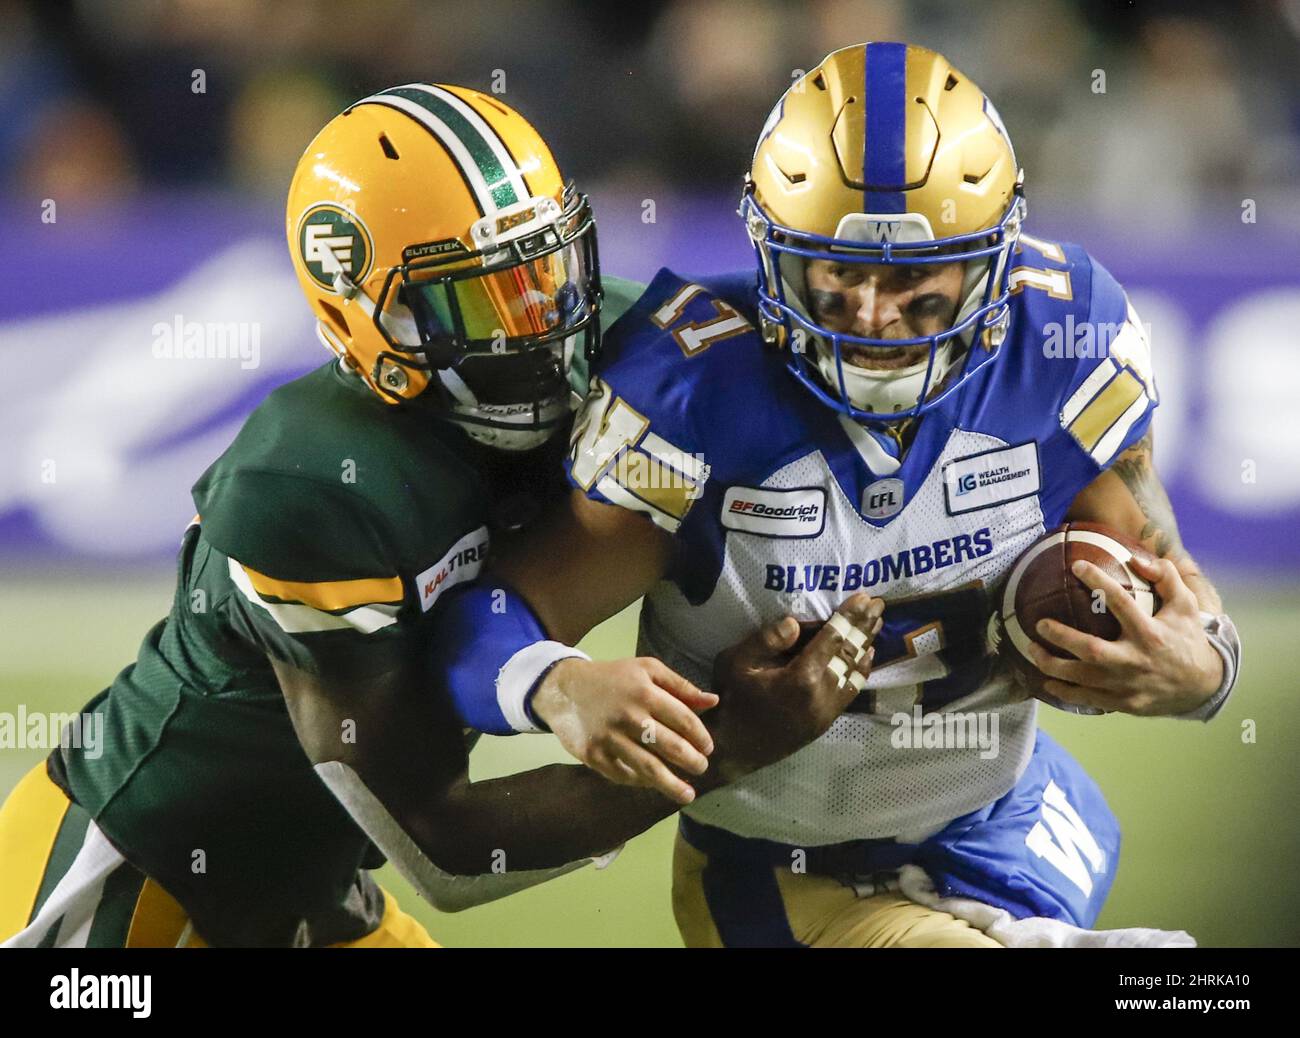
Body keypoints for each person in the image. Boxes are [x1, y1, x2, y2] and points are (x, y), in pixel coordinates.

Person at [0, 84, 881, 948]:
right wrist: (727, 743)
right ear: (372, 319)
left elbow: (784, 342)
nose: (541, 324)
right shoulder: (315, 486)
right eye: (480, 298)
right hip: (128, 883)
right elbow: (447, 844)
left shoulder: (627, 349)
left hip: (316, 893)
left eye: (546, 270)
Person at [434, 44, 1242, 948]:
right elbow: (500, 609)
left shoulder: (1061, 342)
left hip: (1010, 820)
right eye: (836, 273)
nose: (869, 316)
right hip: (783, 868)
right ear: (774, 252)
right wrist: (561, 685)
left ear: (992, 263)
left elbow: (1165, 572)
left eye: (910, 281)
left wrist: (1204, 671)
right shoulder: (690, 398)